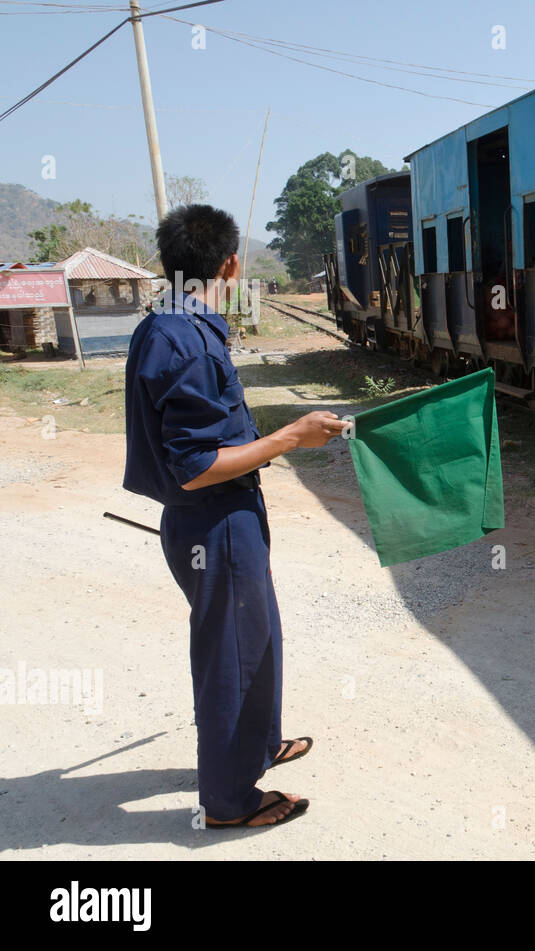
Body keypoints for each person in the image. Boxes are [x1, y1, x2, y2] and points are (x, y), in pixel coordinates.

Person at [123, 205, 347, 829]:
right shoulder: (185, 341)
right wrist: (288, 437)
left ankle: (257, 745)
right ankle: (227, 801)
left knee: (258, 637)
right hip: (214, 520)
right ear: (230, 264)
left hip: (223, 517)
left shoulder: (168, 322)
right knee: (230, 655)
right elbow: (196, 465)